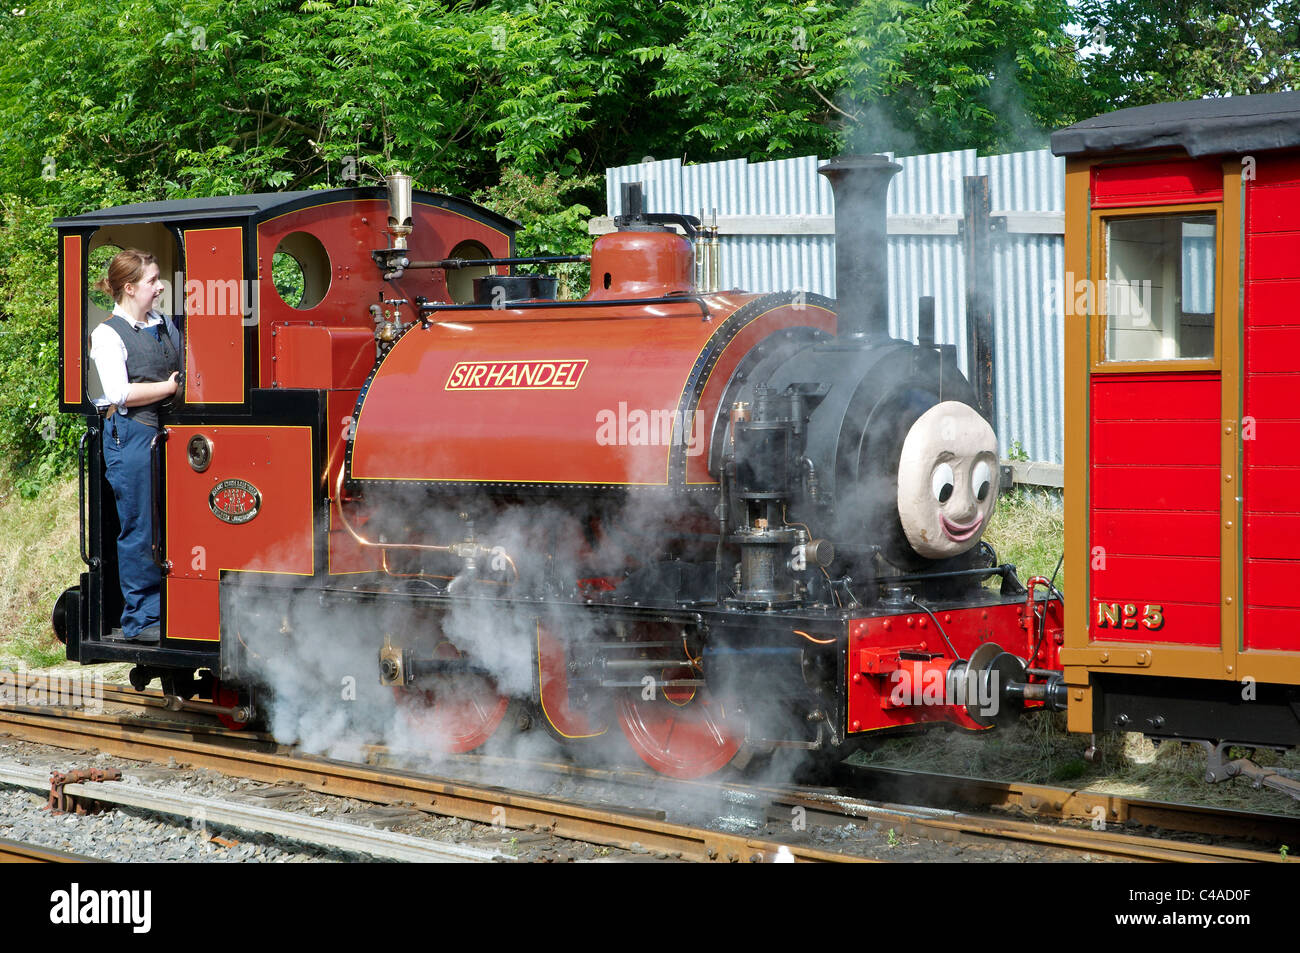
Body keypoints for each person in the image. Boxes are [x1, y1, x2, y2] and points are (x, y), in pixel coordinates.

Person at [88, 249, 181, 643]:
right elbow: (119, 392)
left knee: (171, 525)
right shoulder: (108, 333)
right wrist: (169, 388)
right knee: (141, 526)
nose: (160, 287)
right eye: (153, 281)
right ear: (130, 288)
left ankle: (175, 609)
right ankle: (141, 618)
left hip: (169, 434)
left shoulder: (164, 324)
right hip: (132, 435)